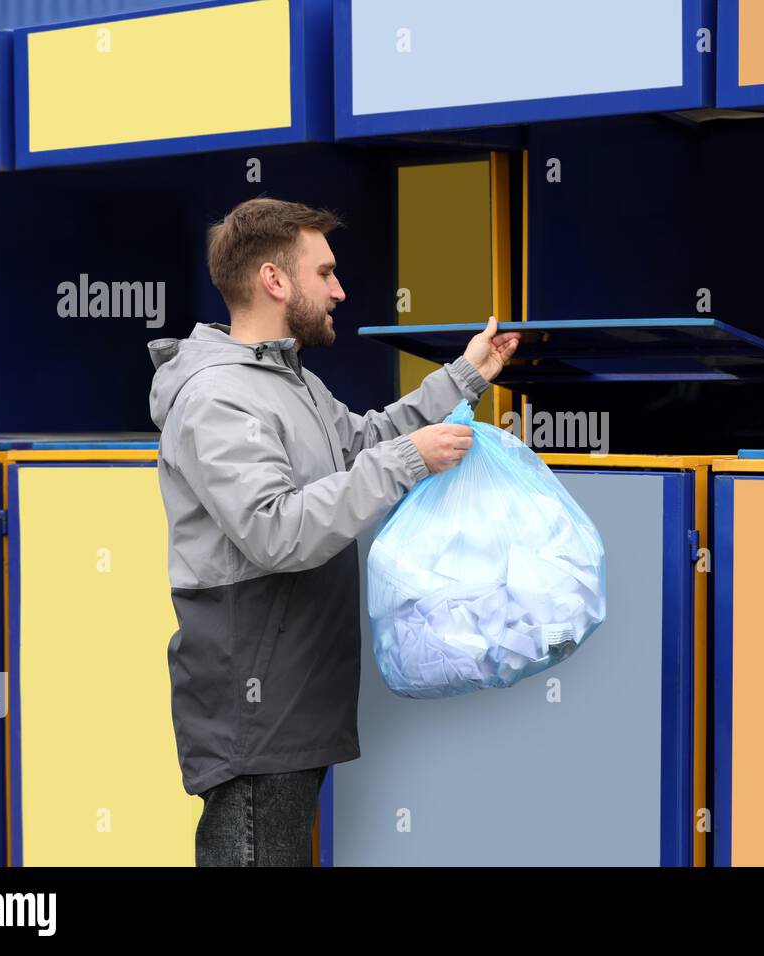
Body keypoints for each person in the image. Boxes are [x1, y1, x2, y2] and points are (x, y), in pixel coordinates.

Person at [146, 197, 520, 866]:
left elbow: (362, 442)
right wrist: (409, 461)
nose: (340, 290)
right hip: (255, 712)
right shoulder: (218, 397)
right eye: (326, 272)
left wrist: (466, 375)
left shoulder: (289, 383)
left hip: (293, 701)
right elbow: (275, 530)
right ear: (274, 280)